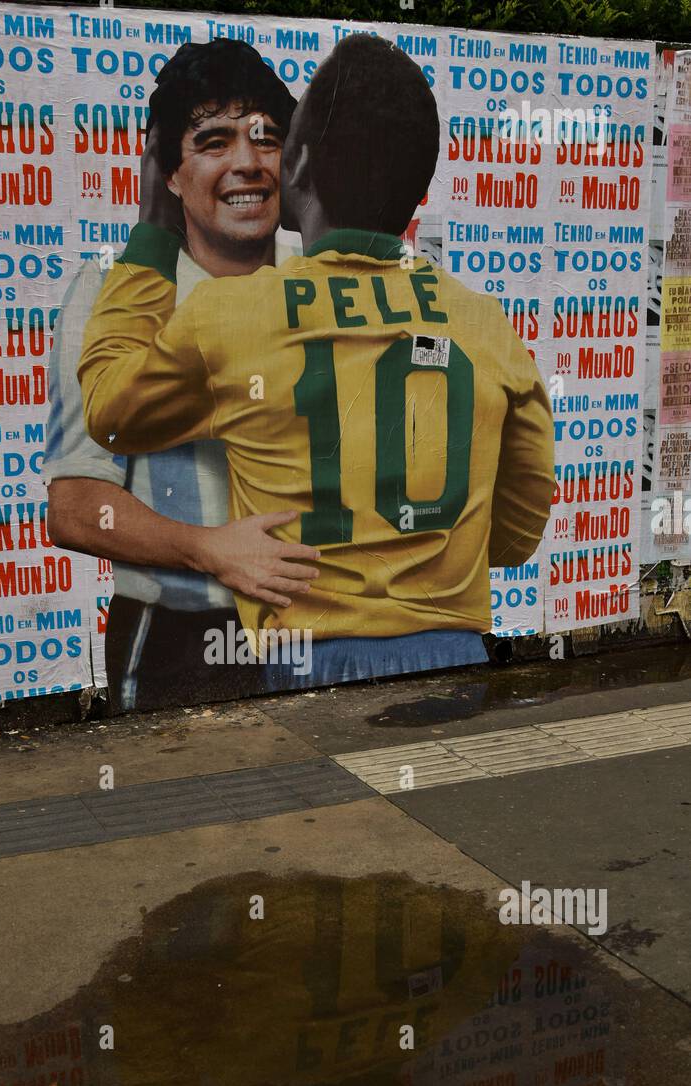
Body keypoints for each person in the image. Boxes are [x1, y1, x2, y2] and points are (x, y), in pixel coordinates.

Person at [78, 34, 556, 690]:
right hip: (452, 657)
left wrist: (156, 231)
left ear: (297, 168)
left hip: (300, 663)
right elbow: (517, 533)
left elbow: (108, 410)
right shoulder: (486, 324)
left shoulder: (228, 314)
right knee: (417, 799)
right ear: (419, 192)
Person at [45, 39, 320, 710]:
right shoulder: (113, 294)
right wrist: (208, 550)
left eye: (265, 139)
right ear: (169, 173)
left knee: (332, 812)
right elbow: (77, 509)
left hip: (327, 627)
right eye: (214, 141)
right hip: (185, 639)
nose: (247, 164)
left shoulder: (323, 282)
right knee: (193, 814)